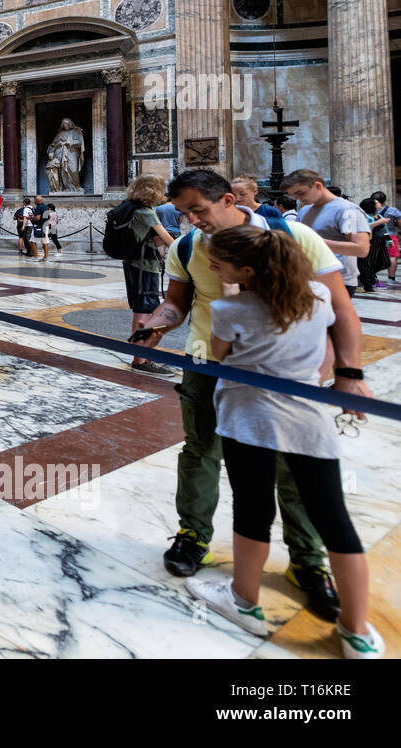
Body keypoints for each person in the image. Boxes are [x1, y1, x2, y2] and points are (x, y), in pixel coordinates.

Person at [130, 169, 370, 621]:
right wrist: (157, 324)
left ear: (226, 199)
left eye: (197, 210)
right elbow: (178, 302)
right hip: (207, 364)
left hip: (284, 375)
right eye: (183, 213)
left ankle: (308, 562)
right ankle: (194, 534)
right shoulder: (187, 247)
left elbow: (339, 307)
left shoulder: (291, 236)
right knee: (201, 450)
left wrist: (348, 372)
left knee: (292, 468)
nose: (191, 220)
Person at [186, 224, 383, 658]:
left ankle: (244, 602)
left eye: (219, 264)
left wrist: (230, 295)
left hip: (247, 419)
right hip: (307, 420)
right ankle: (357, 633)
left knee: (253, 509)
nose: (214, 268)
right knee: (334, 521)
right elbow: (328, 342)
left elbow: (221, 355)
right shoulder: (318, 298)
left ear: (246, 270)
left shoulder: (230, 307)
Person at [281, 169, 370, 298]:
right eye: (294, 195)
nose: (298, 198)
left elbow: (361, 249)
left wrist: (314, 241)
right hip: (307, 276)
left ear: (317, 186)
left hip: (338, 279)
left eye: (300, 193)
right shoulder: (305, 210)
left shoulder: (347, 210)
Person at [120, 175, 177, 375]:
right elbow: (170, 240)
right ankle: (140, 359)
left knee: (141, 309)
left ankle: (141, 356)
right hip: (144, 266)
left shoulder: (129, 207)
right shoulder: (145, 212)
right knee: (143, 311)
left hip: (133, 264)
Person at [369, 191, 401, 286]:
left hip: (373, 236)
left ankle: (373, 277)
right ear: (385, 199)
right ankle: (391, 279)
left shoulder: (368, 209)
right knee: (392, 256)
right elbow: (400, 224)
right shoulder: (393, 210)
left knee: (373, 257)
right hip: (390, 235)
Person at [30, 194, 51, 260]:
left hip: (38, 226)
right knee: (45, 242)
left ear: (37, 200)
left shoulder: (38, 207)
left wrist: (31, 218)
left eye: (34, 200)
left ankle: (35, 256)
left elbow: (38, 218)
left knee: (33, 242)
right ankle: (46, 257)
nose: (34, 201)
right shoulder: (46, 207)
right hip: (46, 226)